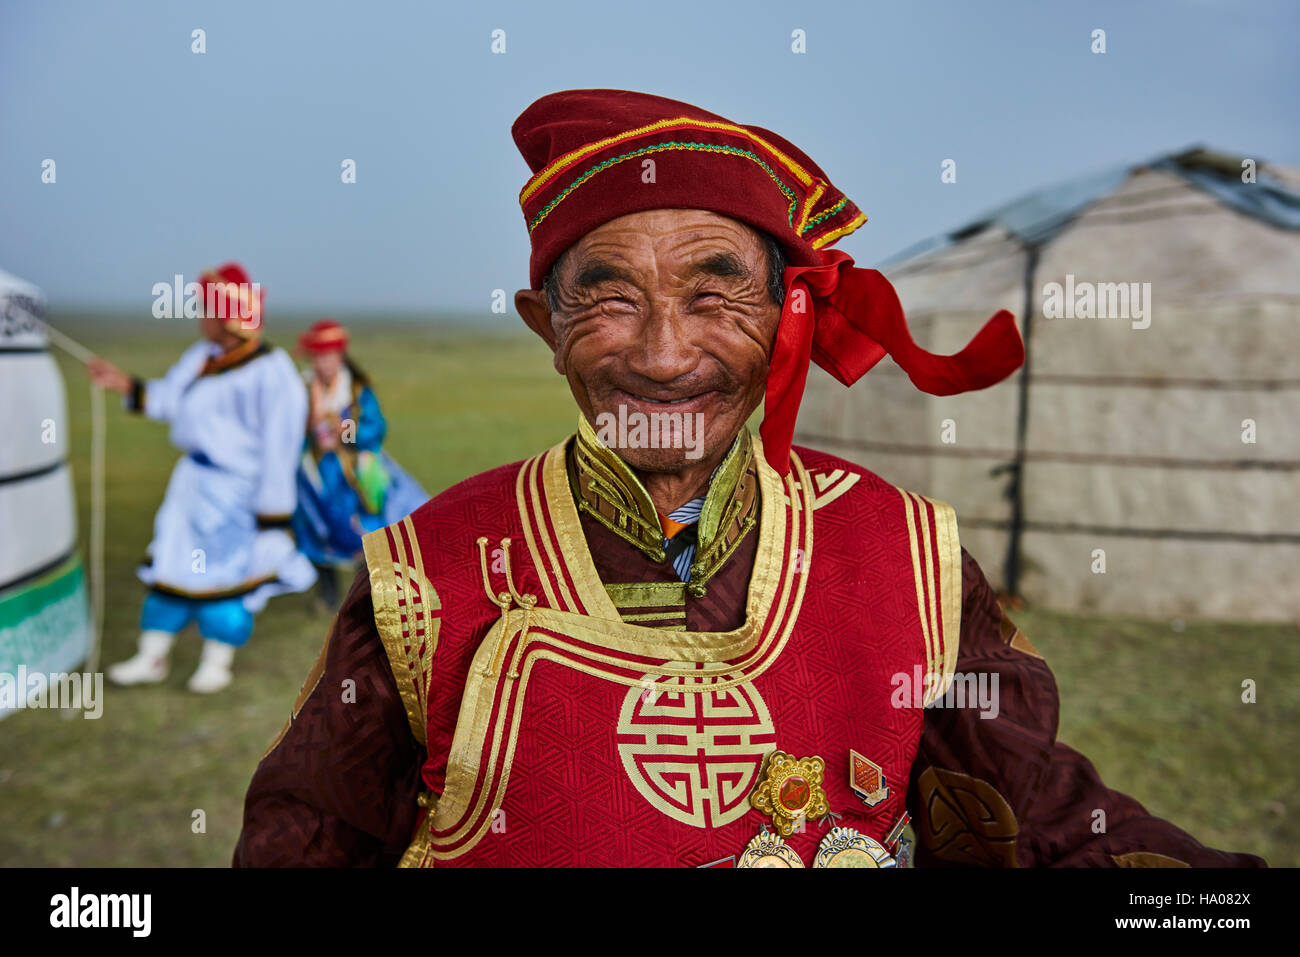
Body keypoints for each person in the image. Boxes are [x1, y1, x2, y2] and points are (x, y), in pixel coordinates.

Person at [232, 91, 1264, 867]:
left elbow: (1037, 819)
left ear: (786, 320)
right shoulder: (433, 573)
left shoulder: (899, 557)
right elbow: (306, 837)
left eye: (716, 295)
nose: (666, 355)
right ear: (545, 327)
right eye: (609, 300)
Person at [90, 262, 315, 694]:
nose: (200, 318)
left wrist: (273, 518)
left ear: (228, 320)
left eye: (206, 311)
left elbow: (279, 452)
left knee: (226, 577)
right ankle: (151, 656)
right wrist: (124, 385)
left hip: (238, 495)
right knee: (172, 566)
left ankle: (217, 662)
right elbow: (170, 399)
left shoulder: (274, 374)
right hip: (192, 487)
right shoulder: (202, 359)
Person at [291, 318, 427, 608]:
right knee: (315, 529)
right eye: (318, 357)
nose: (323, 363)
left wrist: (345, 431)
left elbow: (375, 428)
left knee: (363, 530)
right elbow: (289, 433)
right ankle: (326, 592)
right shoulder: (301, 389)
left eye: (328, 357)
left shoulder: (356, 389)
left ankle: (362, 594)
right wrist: (307, 427)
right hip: (314, 473)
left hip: (353, 473)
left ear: (339, 356)